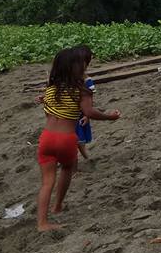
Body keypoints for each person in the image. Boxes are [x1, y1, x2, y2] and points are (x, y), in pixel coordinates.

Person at [37, 45, 120, 232]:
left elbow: (48, 114)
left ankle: (42, 223)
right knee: (67, 169)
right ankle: (57, 205)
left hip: (46, 138)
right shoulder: (81, 90)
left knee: (47, 182)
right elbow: (89, 112)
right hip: (66, 139)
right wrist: (110, 116)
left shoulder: (50, 90)